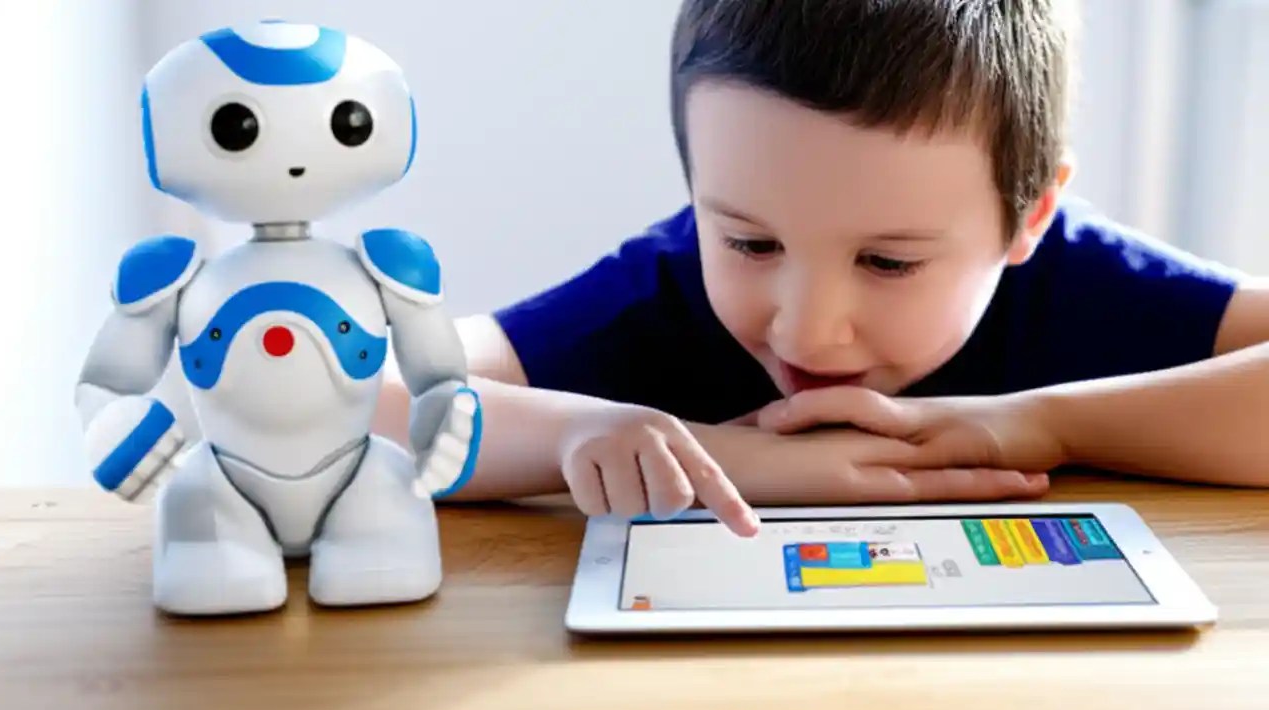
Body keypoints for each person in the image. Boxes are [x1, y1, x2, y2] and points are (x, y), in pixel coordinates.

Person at [374, 0, 1269, 536]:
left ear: (1027, 214)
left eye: (887, 261)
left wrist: (1041, 425)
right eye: (750, 243)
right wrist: (714, 459)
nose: (804, 328)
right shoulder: (660, 292)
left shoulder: (1086, 284)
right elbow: (344, 397)